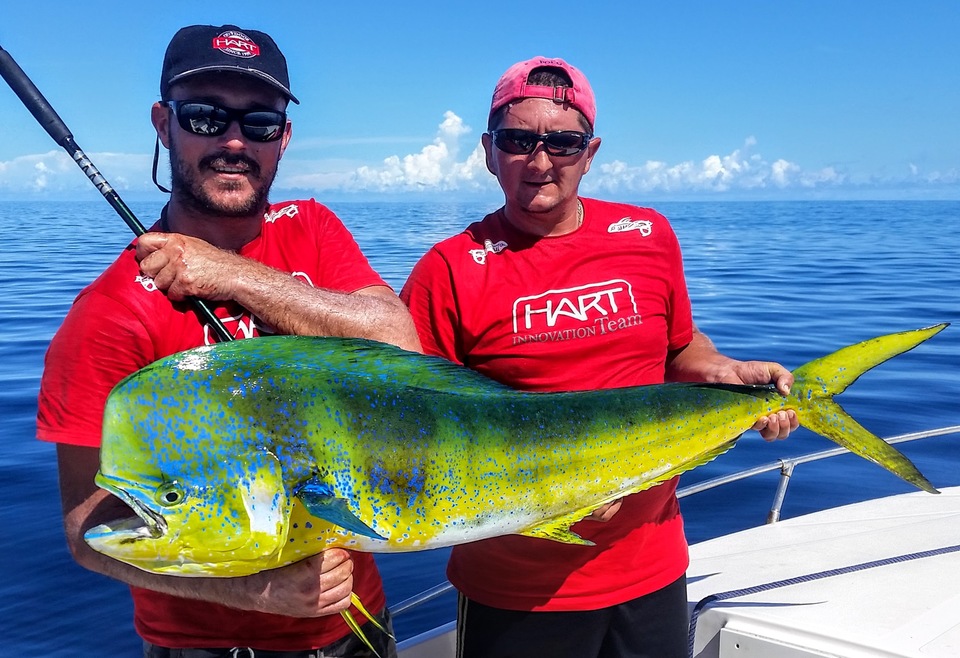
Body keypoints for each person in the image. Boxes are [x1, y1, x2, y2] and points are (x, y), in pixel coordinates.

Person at [36, 24, 419, 658]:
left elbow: (398, 344)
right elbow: (88, 532)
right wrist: (258, 593)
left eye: (260, 123)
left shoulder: (315, 230)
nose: (234, 142)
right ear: (164, 123)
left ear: (284, 139)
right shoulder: (109, 315)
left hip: (358, 627)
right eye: (207, 118)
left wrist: (228, 272)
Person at [400, 56, 799, 658]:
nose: (540, 161)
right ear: (488, 150)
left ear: (590, 153)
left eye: (562, 142)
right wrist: (557, 490)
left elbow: (681, 348)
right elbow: (421, 426)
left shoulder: (648, 234)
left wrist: (726, 376)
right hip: (516, 591)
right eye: (517, 140)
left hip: (654, 567)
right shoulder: (448, 270)